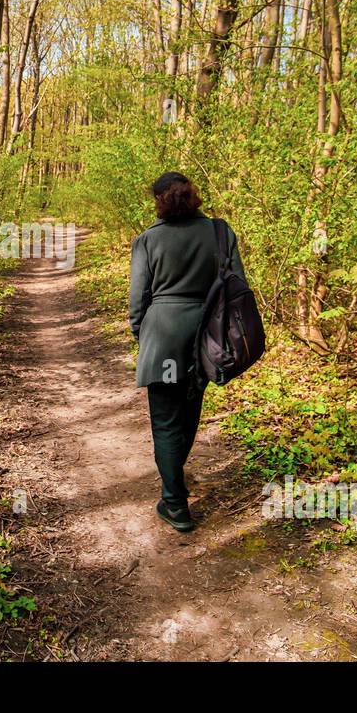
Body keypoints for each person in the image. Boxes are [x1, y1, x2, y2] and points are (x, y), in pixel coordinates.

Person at [129, 172, 246, 532]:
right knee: (189, 410)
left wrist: (141, 333)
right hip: (206, 336)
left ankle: (175, 503)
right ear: (192, 196)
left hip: (163, 338)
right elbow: (237, 284)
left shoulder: (148, 240)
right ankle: (174, 485)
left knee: (165, 419)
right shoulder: (219, 232)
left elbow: (138, 299)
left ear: (160, 201)